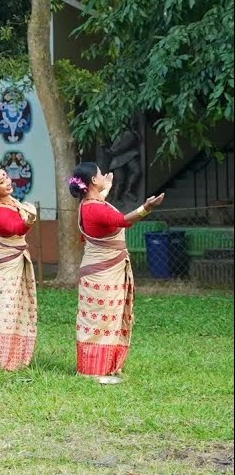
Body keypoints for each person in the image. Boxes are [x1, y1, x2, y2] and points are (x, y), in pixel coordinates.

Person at [68, 161, 165, 384]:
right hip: (102, 273)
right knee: (101, 320)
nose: (104, 176)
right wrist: (147, 207)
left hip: (102, 271)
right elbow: (122, 221)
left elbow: (100, 201)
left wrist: (107, 187)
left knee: (107, 318)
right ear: (93, 180)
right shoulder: (94, 208)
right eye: (100, 175)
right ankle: (94, 371)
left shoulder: (88, 203)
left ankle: (105, 367)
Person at [0, 166, 39, 371]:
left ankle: (17, 357)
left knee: (18, 307)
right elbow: (15, 228)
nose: (9, 182)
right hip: (6, 263)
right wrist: (29, 220)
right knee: (6, 308)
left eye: (6, 177)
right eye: (2, 181)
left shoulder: (8, 201)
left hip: (16, 257)